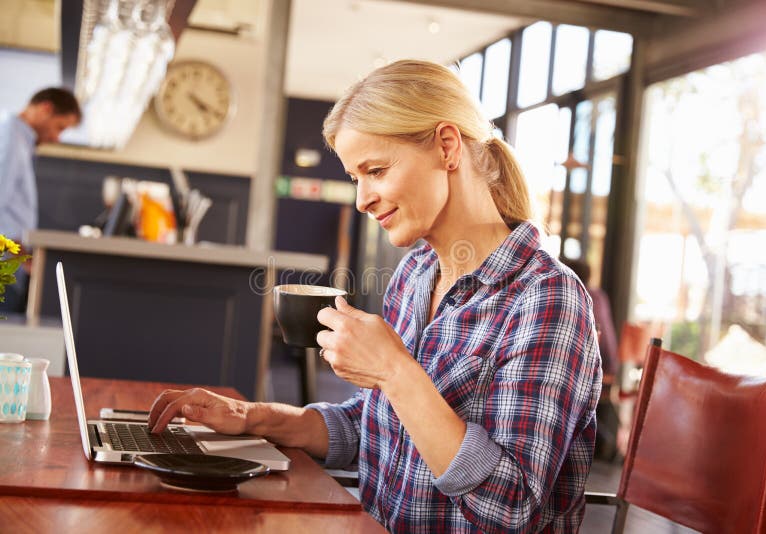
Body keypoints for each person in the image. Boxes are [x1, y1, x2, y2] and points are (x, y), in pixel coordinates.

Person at [148, 60, 602, 532]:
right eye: (355, 178)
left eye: (377, 170)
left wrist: (393, 369)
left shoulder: (547, 299)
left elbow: (508, 504)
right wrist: (250, 417)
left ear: (448, 147)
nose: (362, 199)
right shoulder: (416, 274)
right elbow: (373, 429)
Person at [0, 87, 81, 312]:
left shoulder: (21, 141)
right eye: (60, 127)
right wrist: (22, 256)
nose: (57, 138)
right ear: (46, 108)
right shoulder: (9, 135)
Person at [561, 257, 619, 460]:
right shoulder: (599, 296)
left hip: (592, 372)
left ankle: (601, 441)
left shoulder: (572, 295)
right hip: (608, 368)